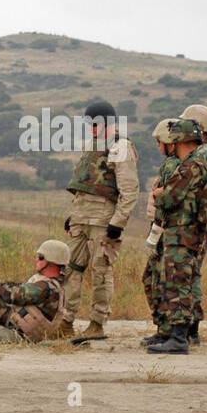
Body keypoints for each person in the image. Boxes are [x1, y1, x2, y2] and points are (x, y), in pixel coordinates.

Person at [59, 100, 139, 339]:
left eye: (96, 124)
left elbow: (129, 190)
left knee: (101, 270)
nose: (92, 128)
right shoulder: (92, 147)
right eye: (89, 124)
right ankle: (65, 321)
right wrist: (72, 216)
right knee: (71, 270)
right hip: (81, 218)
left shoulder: (120, 147)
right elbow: (85, 185)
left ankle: (97, 323)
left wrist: (118, 222)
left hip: (103, 220)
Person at [147, 118, 207, 354]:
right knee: (179, 282)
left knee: (177, 284)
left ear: (178, 141)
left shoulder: (190, 167)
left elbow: (169, 198)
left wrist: (158, 193)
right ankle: (178, 335)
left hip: (182, 234)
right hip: (187, 234)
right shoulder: (199, 166)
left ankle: (178, 338)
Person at [180, 104, 207, 345]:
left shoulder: (203, 154)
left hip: (196, 222)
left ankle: (190, 327)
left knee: (190, 273)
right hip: (201, 220)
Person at [140, 119, 179, 346]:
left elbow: (166, 201)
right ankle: (164, 329)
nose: (158, 147)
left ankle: (166, 329)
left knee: (156, 279)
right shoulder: (175, 164)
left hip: (164, 229)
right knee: (155, 278)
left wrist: (156, 231)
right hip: (164, 229)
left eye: (159, 142)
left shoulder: (171, 166)